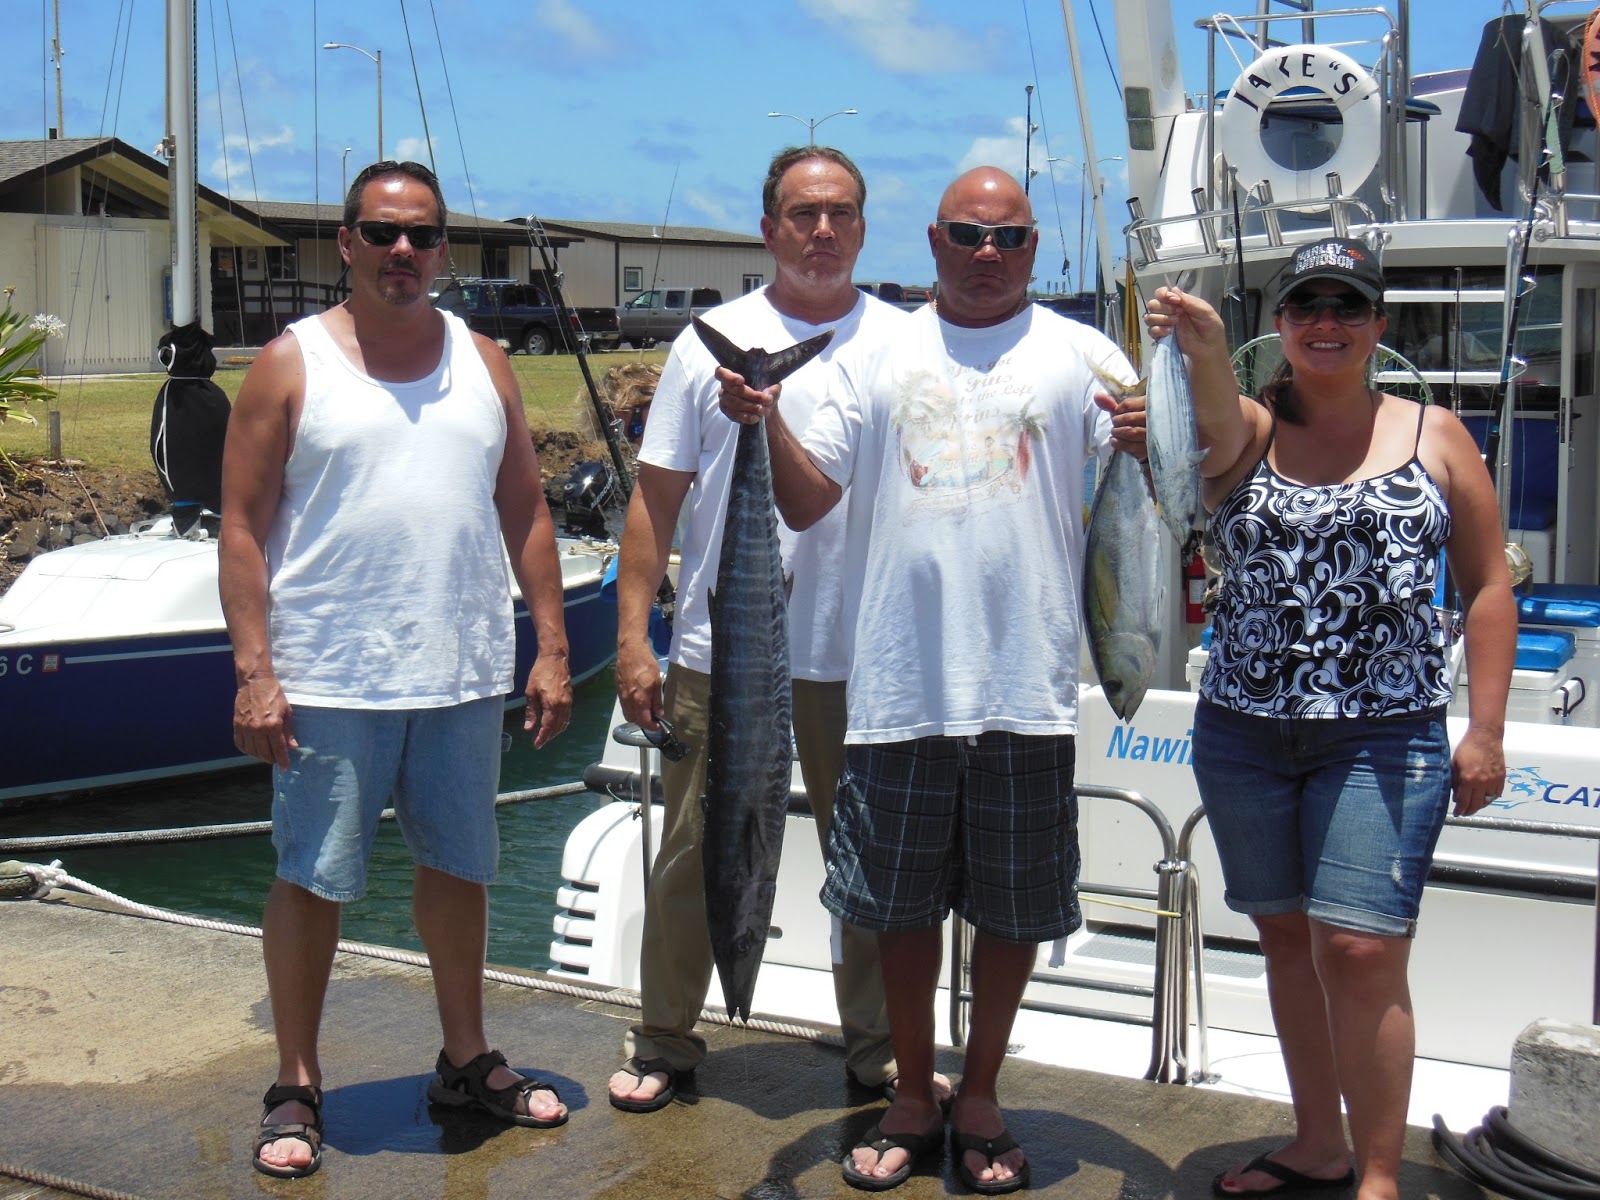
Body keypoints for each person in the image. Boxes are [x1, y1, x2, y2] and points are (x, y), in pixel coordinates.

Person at [719, 166, 1142, 1194]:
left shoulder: (1087, 355)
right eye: (966, 234)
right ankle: (913, 1092)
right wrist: (759, 417)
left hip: (1028, 684)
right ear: (933, 241)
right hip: (900, 684)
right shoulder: (877, 352)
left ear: (1035, 248)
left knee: (1012, 909)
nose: (986, 254)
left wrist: (1156, 424)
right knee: (896, 909)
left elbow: (1167, 475)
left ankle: (983, 1092)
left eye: (1007, 238)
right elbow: (809, 499)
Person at [219, 159, 574, 1180]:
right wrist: (255, 671)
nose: (401, 251)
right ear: (345, 242)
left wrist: (550, 647)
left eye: (419, 234)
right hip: (329, 675)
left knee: (459, 869)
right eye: (380, 233)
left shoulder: (485, 360)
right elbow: (240, 529)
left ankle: (466, 1059)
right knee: (311, 878)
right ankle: (297, 1082)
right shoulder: (290, 365)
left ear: (444, 248)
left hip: (462, 669)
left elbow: (526, 510)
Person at [1144, 237, 1514, 1200]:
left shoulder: (1437, 434)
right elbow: (1211, 415)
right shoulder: (1248, 434)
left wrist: (1485, 728)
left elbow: (1484, 585)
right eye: (1306, 305)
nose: (1326, 323)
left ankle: (1380, 1176)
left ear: (1379, 327)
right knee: (1284, 940)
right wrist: (1205, 348)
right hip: (1244, 731)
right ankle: (1317, 1140)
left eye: (1347, 306)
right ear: (1280, 326)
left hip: (1384, 734)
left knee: (1359, 949)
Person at [605, 145, 952, 1116]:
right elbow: (655, 500)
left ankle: (879, 1048)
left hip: (866, 652)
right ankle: (666, 1035)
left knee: (872, 859)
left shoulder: (903, 341)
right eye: (802, 214)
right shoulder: (704, 342)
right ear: (768, 228)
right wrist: (637, 637)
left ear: (862, 226)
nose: (822, 231)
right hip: (723, 654)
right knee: (690, 847)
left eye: (839, 213)